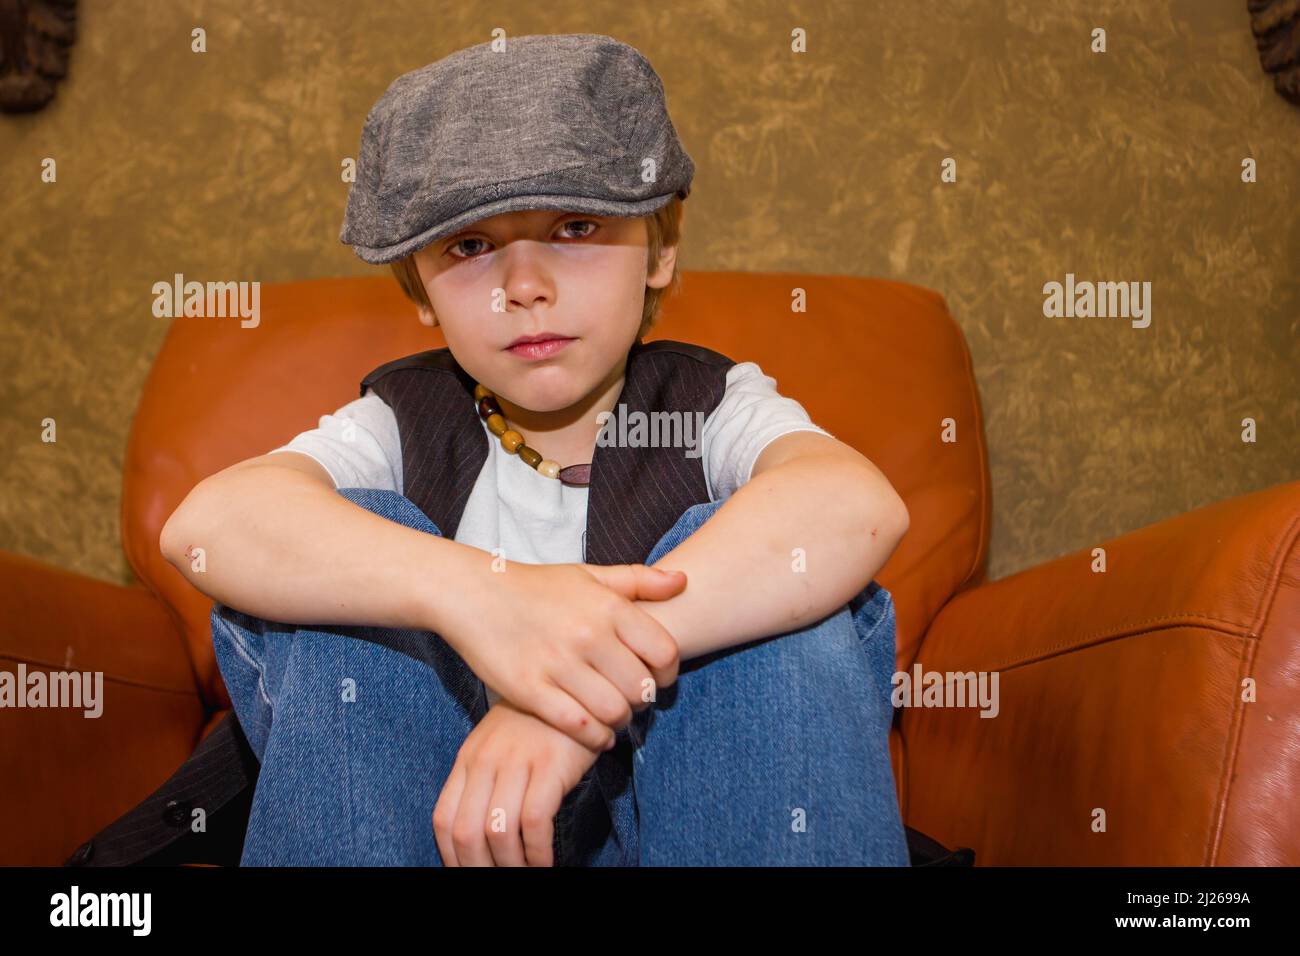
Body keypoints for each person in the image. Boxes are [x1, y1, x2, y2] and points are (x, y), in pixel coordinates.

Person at [159, 32, 912, 866]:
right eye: (471, 247)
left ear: (661, 249)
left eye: (576, 225)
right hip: (433, 824)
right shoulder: (403, 422)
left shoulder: (710, 407)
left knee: (753, 559)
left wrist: (573, 690)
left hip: (692, 815)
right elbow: (209, 525)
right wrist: (484, 601)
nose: (524, 285)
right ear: (421, 290)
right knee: (353, 536)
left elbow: (855, 505)